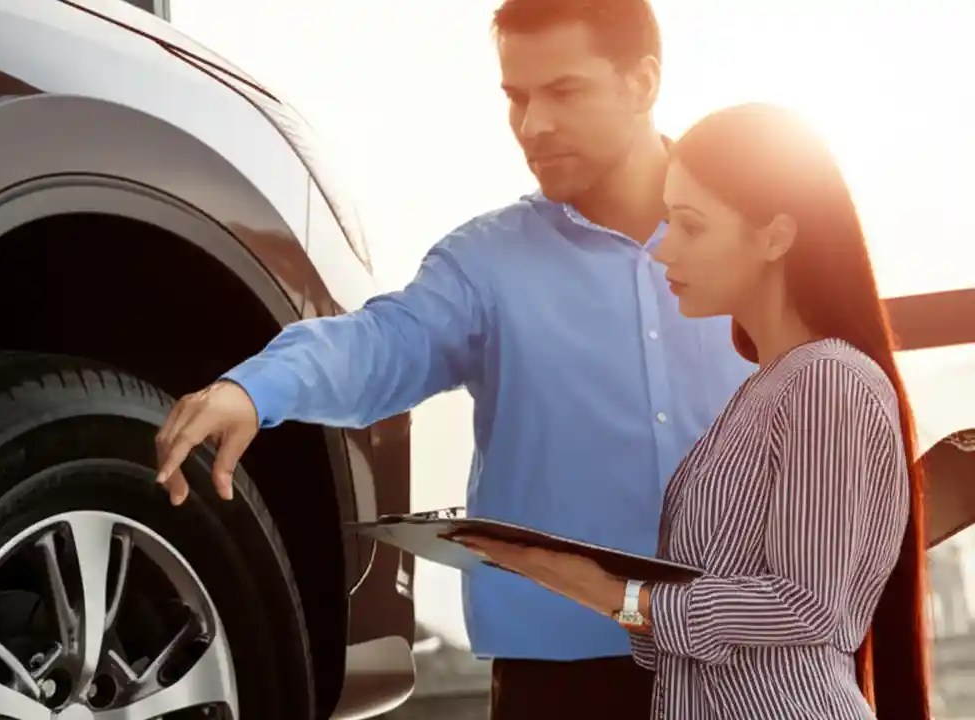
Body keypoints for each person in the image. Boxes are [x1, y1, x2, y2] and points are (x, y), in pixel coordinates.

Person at [153, 0, 756, 716]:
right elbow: (381, 343)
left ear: (641, 83)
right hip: (561, 683)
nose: (533, 126)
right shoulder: (486, 264)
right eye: (516, 97)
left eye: (563, 91)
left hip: (755, 660)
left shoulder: (760, 236)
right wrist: (256, 389)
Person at [455, 103, 932, 719]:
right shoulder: (758, 392)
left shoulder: (827, 379)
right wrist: (566, 578)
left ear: (775, 236)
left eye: (690, 226)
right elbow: (689, 640)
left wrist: (615, 594)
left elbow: (809, 604)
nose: (661, 250)